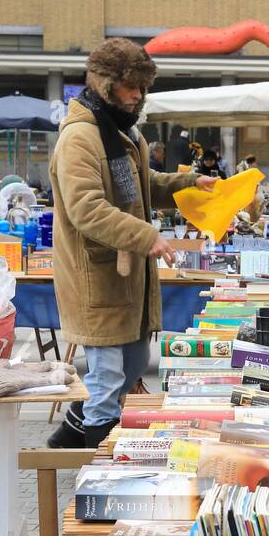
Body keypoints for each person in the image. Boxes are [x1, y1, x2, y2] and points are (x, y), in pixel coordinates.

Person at [46, 38, 216, 448]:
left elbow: (145, 187)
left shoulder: (124, 134)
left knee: (135, 363)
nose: (138, 95)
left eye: (142, 86)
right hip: (97, 280)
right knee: (106, 378)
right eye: (130, 87)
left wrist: (190, 182)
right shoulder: (80, 138)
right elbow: (86, 208)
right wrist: (146, 235)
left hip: (128, 280)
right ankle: (96, 466)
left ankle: (70, 433)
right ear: (106, 85)